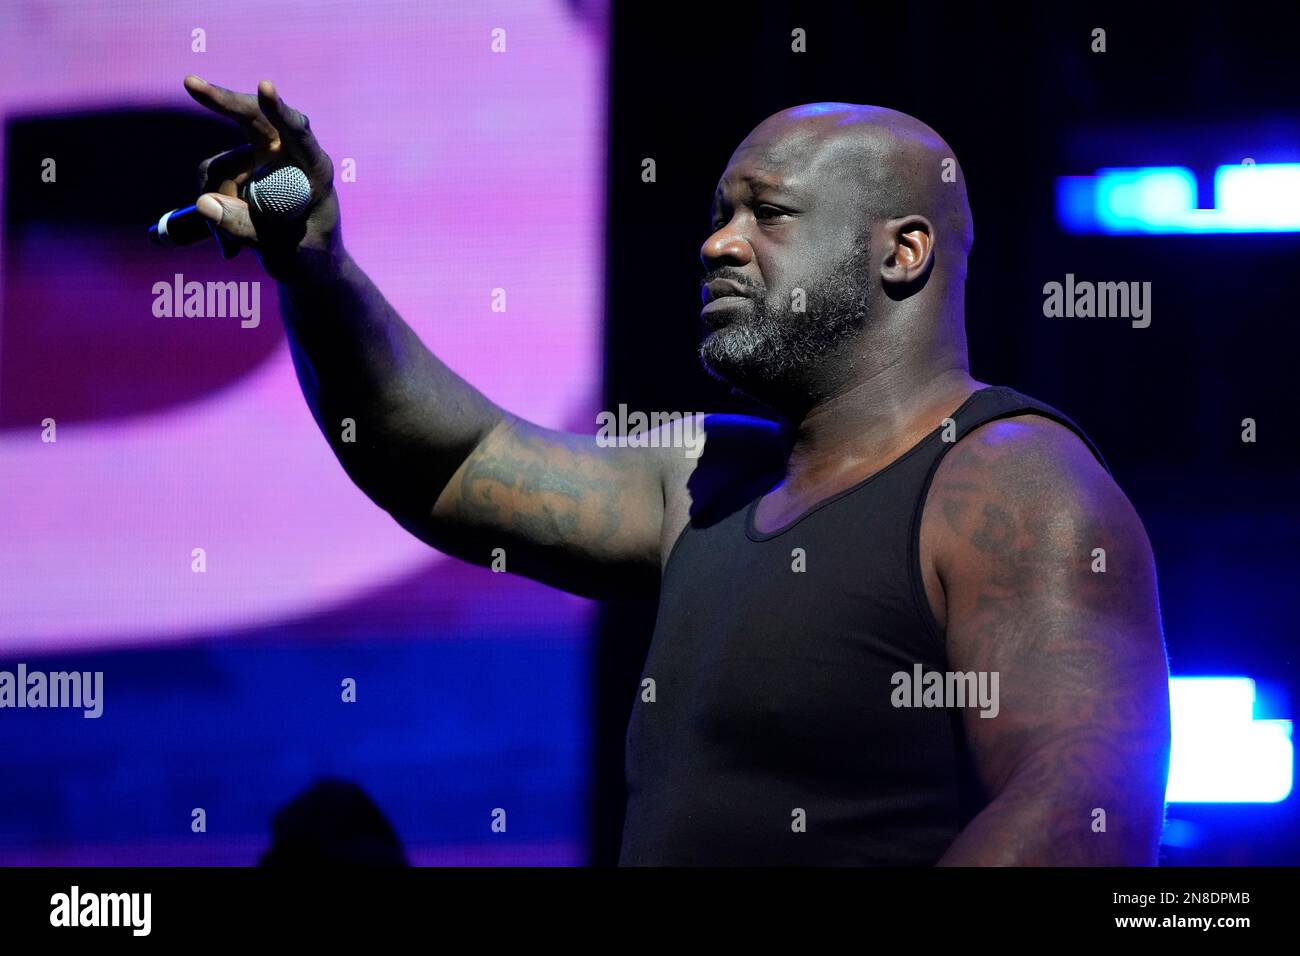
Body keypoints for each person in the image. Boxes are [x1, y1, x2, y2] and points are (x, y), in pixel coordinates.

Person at [179, 76, 1171, 865]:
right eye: (717, 213)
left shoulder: (1009, 479)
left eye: (768, 215)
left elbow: (1080, 813)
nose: (715, 244)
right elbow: (447, 459)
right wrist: (318, 272)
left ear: (902, 251)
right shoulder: (707, 479)